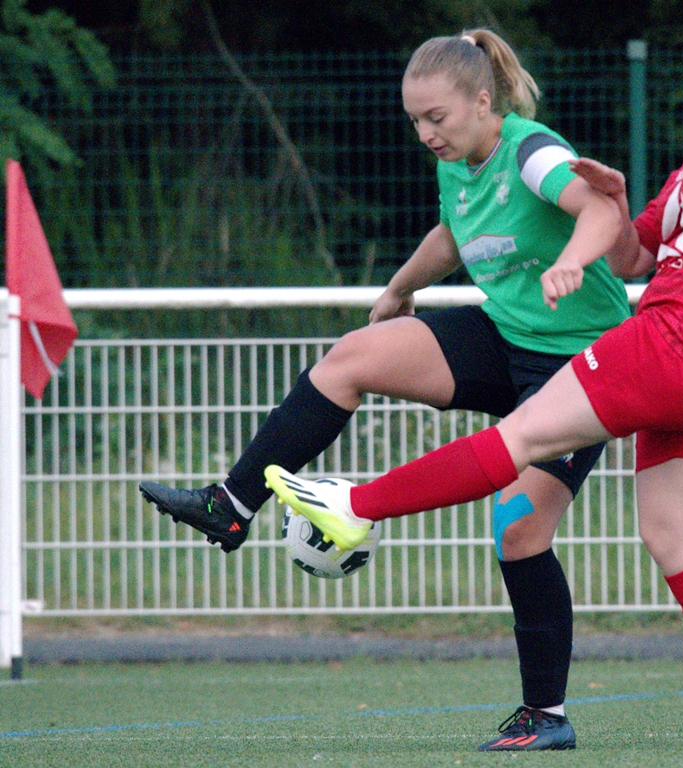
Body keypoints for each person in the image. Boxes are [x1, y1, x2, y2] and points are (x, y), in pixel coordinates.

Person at [265, 18, 683, 751]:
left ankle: (356, 505)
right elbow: (634, 258)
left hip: (682, 341)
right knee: (673, 537)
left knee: (523, 434)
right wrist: (614, 198)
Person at [139, 28, 632, 752]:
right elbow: (453, 233)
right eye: (415, 121)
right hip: (506, 339)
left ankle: (546, 716)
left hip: (582, 362)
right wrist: (399, 289)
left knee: (518, 529)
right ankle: (233, 504)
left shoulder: (532, 151)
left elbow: (601, 210)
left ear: (483, 101)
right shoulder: (462, 163)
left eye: (437, 117)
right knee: (350, 358)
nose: (425, 132)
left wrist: (572, 265)